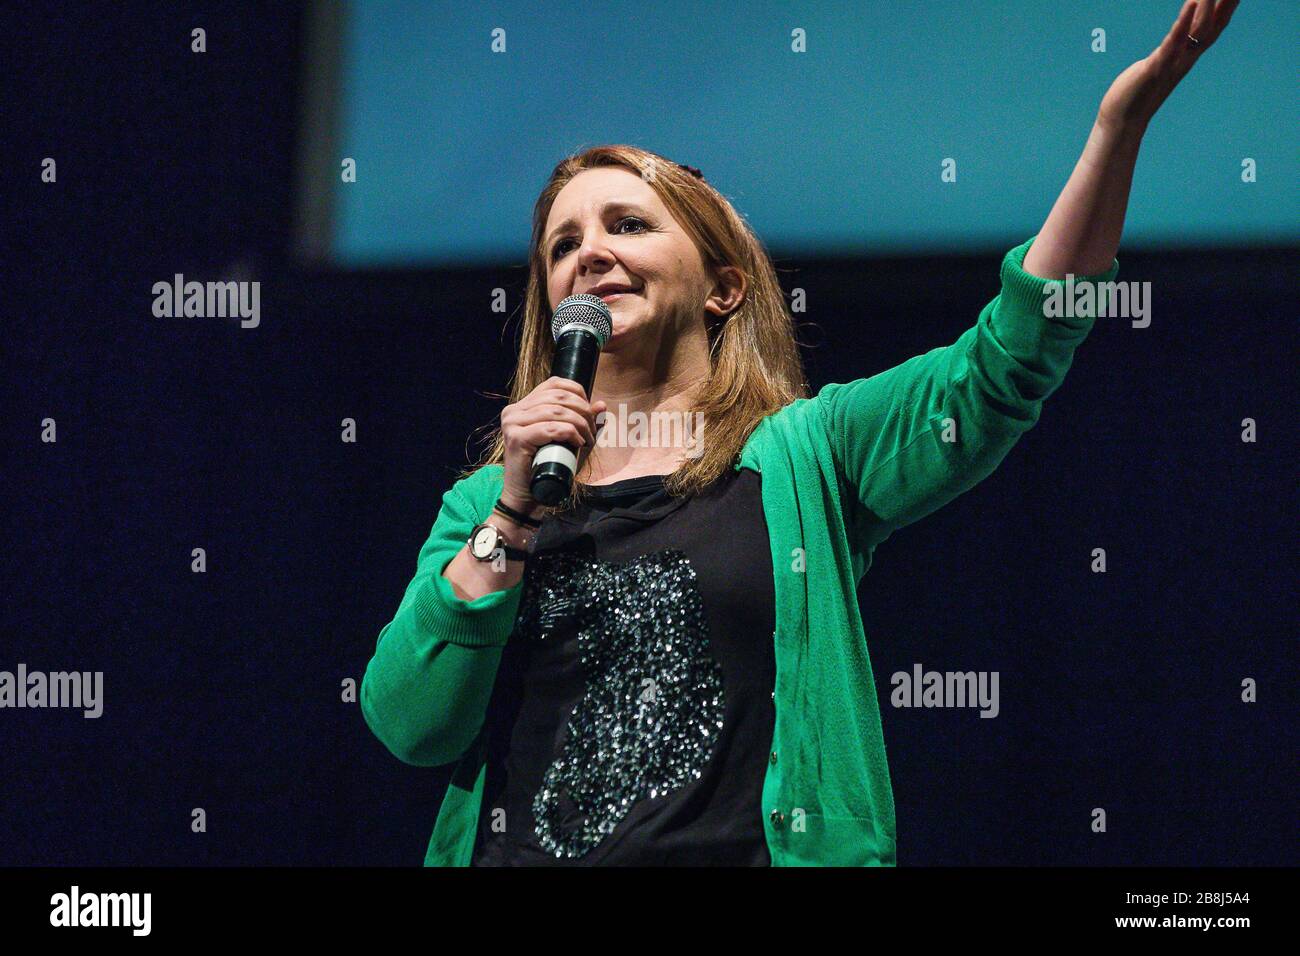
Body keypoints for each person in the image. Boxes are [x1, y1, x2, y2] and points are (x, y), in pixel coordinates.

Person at [361, 0, 1239, 866]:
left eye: (627, 225)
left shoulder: (807, 456)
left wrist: (1118, 127)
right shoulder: (489, 500)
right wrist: (510, 520)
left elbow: (1006, 360)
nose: (589, 252)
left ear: (723, 288)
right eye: (562, 246)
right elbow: (412, 727)